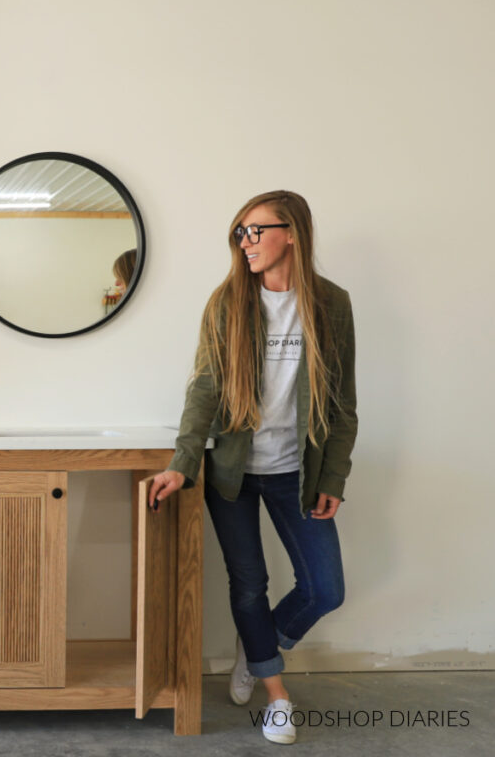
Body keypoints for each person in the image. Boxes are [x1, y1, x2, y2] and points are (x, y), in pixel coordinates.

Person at [140, 190, 357, 745]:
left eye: (257, 230)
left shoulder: (332, 304)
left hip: (298, 472)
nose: (247, 242)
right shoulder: (228, 302)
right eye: (241, 232)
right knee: (249, 585)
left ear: (293, 233)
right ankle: (277, 697)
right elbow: (204, 391)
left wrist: (333, 478)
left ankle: (258, 646)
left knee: (325, 589)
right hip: (233, 471)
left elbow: (342, 404)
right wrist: (182, 463)